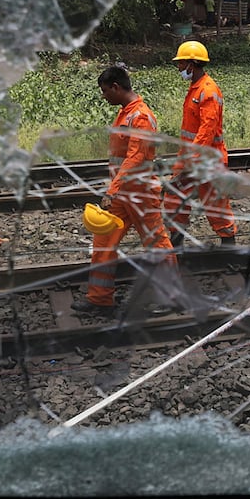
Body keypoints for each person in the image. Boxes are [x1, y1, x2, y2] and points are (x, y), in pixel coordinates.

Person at [72, 66, 180, 316]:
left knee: (157, 245)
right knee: (104, 242)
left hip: (140, 194)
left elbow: (135, 158)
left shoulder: (140, 116)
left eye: (105, 91)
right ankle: (100, 300)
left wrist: (112, 189)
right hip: (123, 195)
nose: (104, 96)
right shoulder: (126, 113)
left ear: (117, 87)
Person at [164, 40, 238, 247]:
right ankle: (176, 241)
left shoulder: (208, 91)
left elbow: (207, 131)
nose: (178, 67)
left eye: (181, 63)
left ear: (192, 64)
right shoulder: (195, 88)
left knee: (215, 203)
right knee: (174, 196)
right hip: (190, 157)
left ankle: (229, 244)